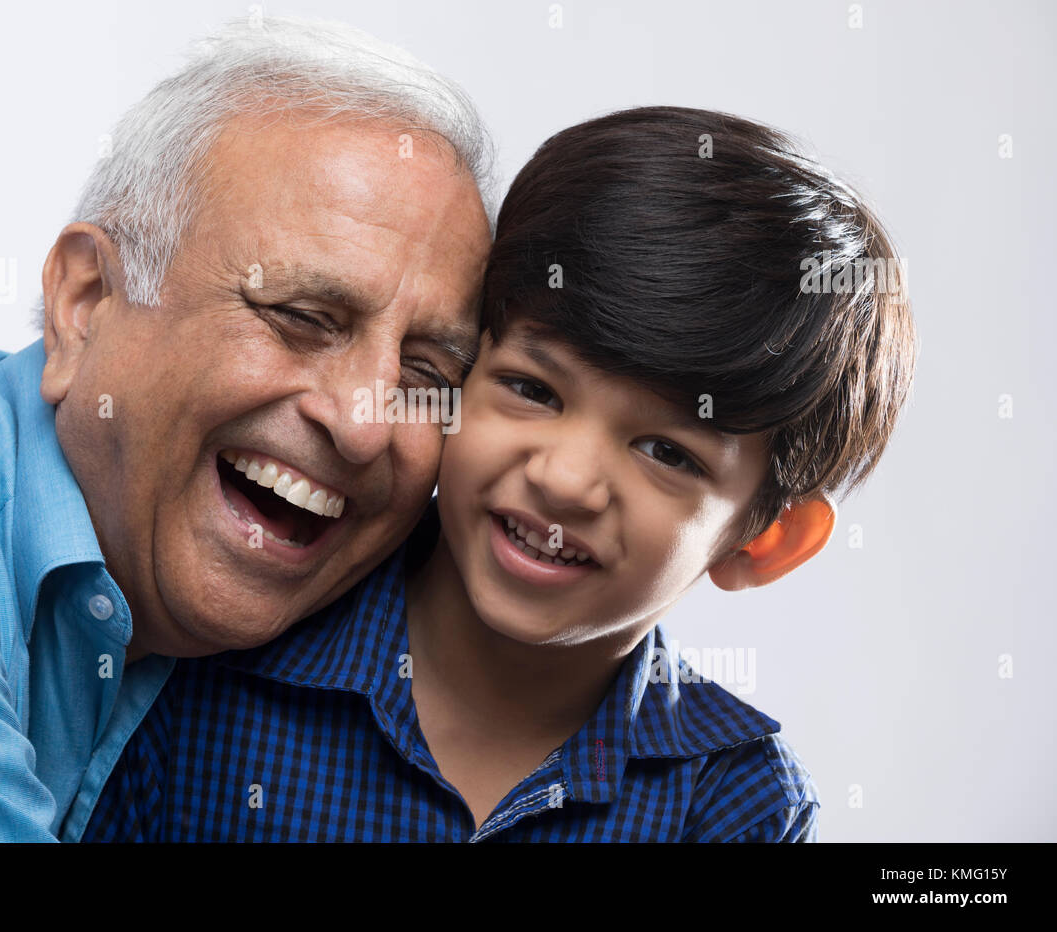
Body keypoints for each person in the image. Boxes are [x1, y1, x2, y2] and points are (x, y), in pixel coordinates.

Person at [83, 106, 919, 841]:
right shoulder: (225, 642)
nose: (562, 479)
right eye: (531, 389)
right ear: (454, 378)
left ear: (765, 540)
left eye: (667, 452)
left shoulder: (736, 804)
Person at [0, 15, 494, 841]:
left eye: (428, 373)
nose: (366, 428)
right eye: (302, 317)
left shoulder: (325, 596)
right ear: (86, 302)